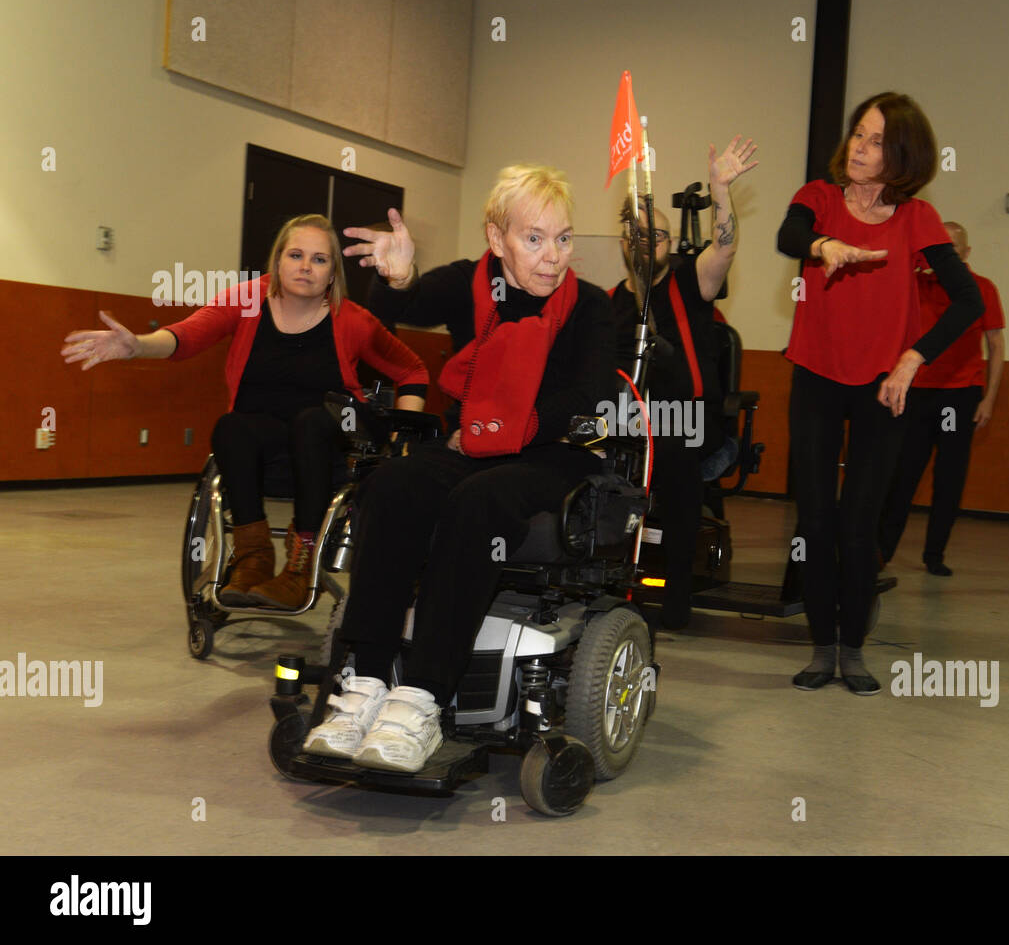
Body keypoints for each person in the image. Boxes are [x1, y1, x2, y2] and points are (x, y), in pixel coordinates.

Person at [299, 165, 615, 772]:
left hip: (554, 455)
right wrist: (399, 274)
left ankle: (421, 699)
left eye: (564, 238)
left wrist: (507, 430)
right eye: (535, 238)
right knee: (390, 481)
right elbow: (407, 299)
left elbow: (590, 397)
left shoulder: (591, 307)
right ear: (497, 239)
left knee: (478, 502)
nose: (553, 257)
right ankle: (363, 683)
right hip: (474, 445)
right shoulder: (473, 284)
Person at [61, 214, 429, 609]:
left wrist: (400, 437)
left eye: (320, 260)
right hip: (270, 443)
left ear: (332, 274)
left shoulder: (352, 319)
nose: (305, 266)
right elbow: (186, 335)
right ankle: (253, 554)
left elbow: (412, 370)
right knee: (231, 427)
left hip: (333, 442)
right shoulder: (247, 299)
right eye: (296, 255)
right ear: (277, 261)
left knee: (310, 421)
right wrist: (136, 346)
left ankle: (302, 563)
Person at [776, 92, 984, 695]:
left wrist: (913, 359)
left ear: (902, 156)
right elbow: (790, 234)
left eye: (874, 141)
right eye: (857, 136)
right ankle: (820, 646)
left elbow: (966, 300)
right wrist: (823, 246)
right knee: (814, 518)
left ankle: (853, 648)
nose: (859, 149)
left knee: (859, 521)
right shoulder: (818, 198)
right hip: (815, 375)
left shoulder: (918, 218)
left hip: (883, 389)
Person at [611, 136, 758, 631]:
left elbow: (726, 245)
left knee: (671, 449)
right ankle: (609, 587)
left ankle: (675, 599)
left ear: (669, 244)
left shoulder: (690, 281)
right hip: (629, 422)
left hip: (690, 423)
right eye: (637, 234)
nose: (647, 242)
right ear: (624, 242)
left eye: (657, 235)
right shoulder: (611, 300)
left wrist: (721, 189)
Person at [878, 221, 1006, 576]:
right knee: (902, 477)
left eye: (953, 248)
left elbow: (996, 346)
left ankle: (935, 555)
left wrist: (989, 399)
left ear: (965, 253)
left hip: (961, 396)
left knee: (949, 481)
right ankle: (881, 551)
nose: (945, 255)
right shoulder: (912, 285)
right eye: (940, 248)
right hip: (914, 394)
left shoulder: (981, 289)